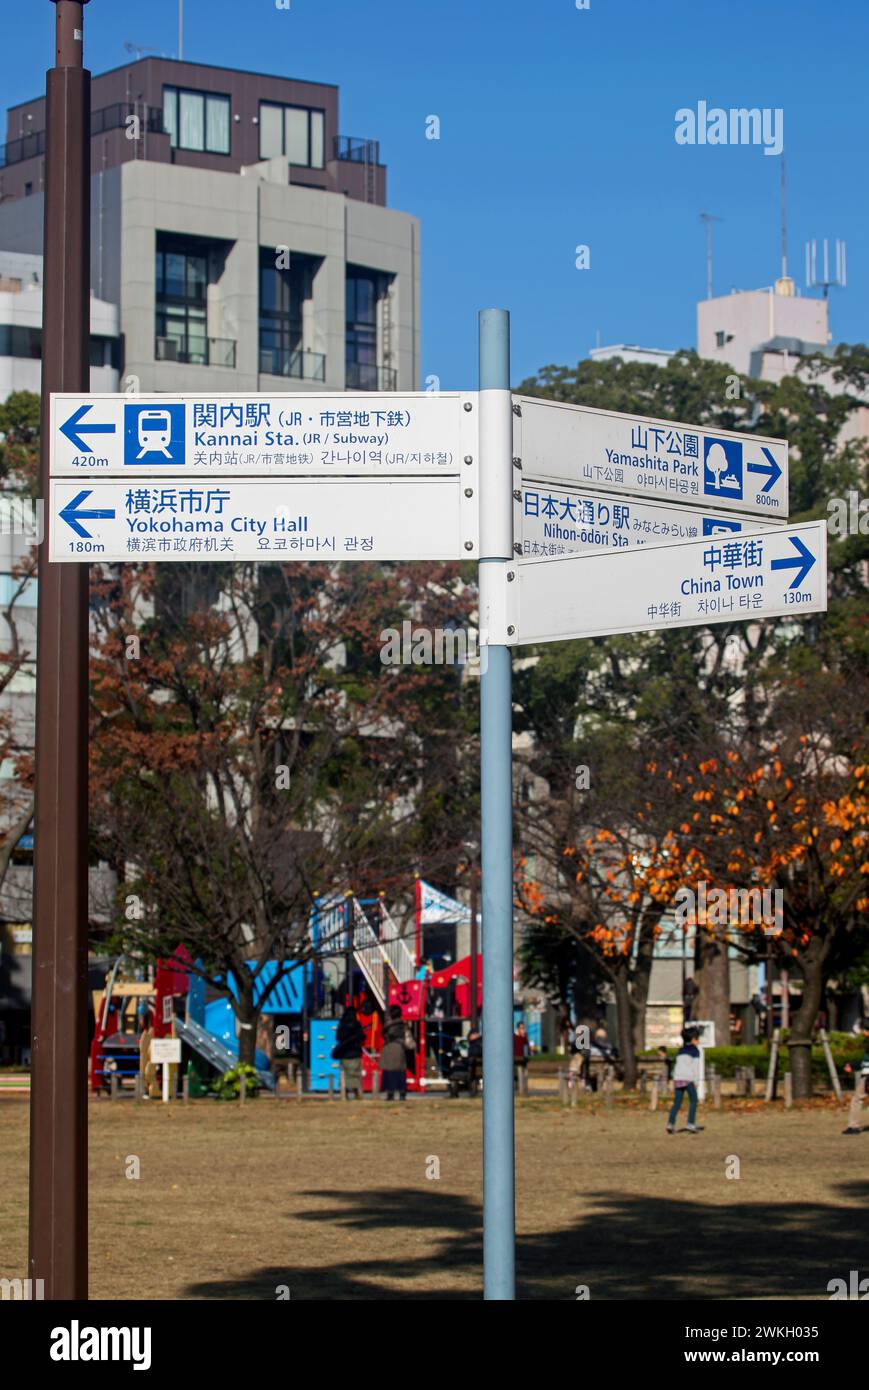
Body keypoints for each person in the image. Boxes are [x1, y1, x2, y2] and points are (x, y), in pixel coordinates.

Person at [666, 1029, 702, 1133]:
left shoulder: (680, 1051)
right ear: (693, 1040)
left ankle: (670, 1124)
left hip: (677, 1078)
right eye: (697, 1039)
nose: (698, 1041)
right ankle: (690, 1123)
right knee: (694, 1100)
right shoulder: (695, 1051)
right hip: (688, 1078)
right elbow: (695, 1068)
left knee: (677, 1102)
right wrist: (696, 1082)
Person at [333, 1004, 365, 1099]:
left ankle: (345, 1093)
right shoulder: (357, 1025)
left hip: (345, 1053)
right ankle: (357, 1093)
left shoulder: (342, 1025)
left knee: (346, 1074)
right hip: (356, 1053)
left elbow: (338, 1038)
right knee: (356, 1074)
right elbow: (361, 1037)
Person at [380, 1003, 408, 1101]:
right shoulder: (403, 1024)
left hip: (389, 1048)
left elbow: (384, 1033)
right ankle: (402, 1093)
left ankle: (390, 1093)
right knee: (400, 1072)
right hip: (399, 1048)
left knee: (389, 1072)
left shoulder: (389, 1024)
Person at [513, 1021, 530, 1089]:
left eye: (523, 1028)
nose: (523, 1030)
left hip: (521, 1059)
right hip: (515, 1059)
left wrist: (524, 1037)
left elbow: (527, 1048)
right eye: (521, 1028)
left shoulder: (524, 1037)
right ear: (518, 1029)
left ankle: (521, 1086)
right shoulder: (514, 1037)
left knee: (523, 1067)